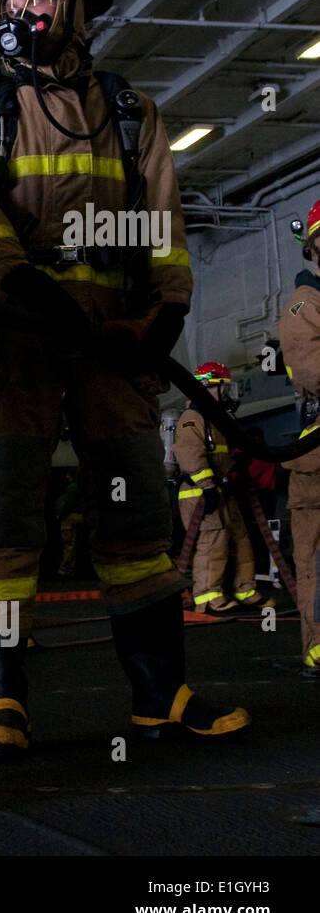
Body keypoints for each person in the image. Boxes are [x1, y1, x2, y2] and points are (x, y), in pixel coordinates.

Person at [0, 0, 248, 759]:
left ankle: (160, 694)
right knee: (4, 519)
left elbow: (167, 231)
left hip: (115, 343)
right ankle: (5, 700)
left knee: (136, 518)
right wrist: (32, 288)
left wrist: (166, 317)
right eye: (9, 2)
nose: (21, 13)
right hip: (18, 340)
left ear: (74, 5)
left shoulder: (131, 113)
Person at [173, 363, 269, 614]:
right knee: (212, 543)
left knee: (240, 538)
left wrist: (237, 463)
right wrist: (206, 487)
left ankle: (244, 589)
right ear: (209, 389)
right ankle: (207, 597)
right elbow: (190, 455)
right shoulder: (192, 418)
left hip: (221, 491)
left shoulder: (214, 420)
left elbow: (219, 456)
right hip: (200, 494)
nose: (228, 394)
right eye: (224, 389)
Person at [278, 198, 320, 675]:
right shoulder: (303, 306)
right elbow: (313, 371)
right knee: (313, 558)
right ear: (311, 250)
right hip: (316, 459)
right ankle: (317, 644)